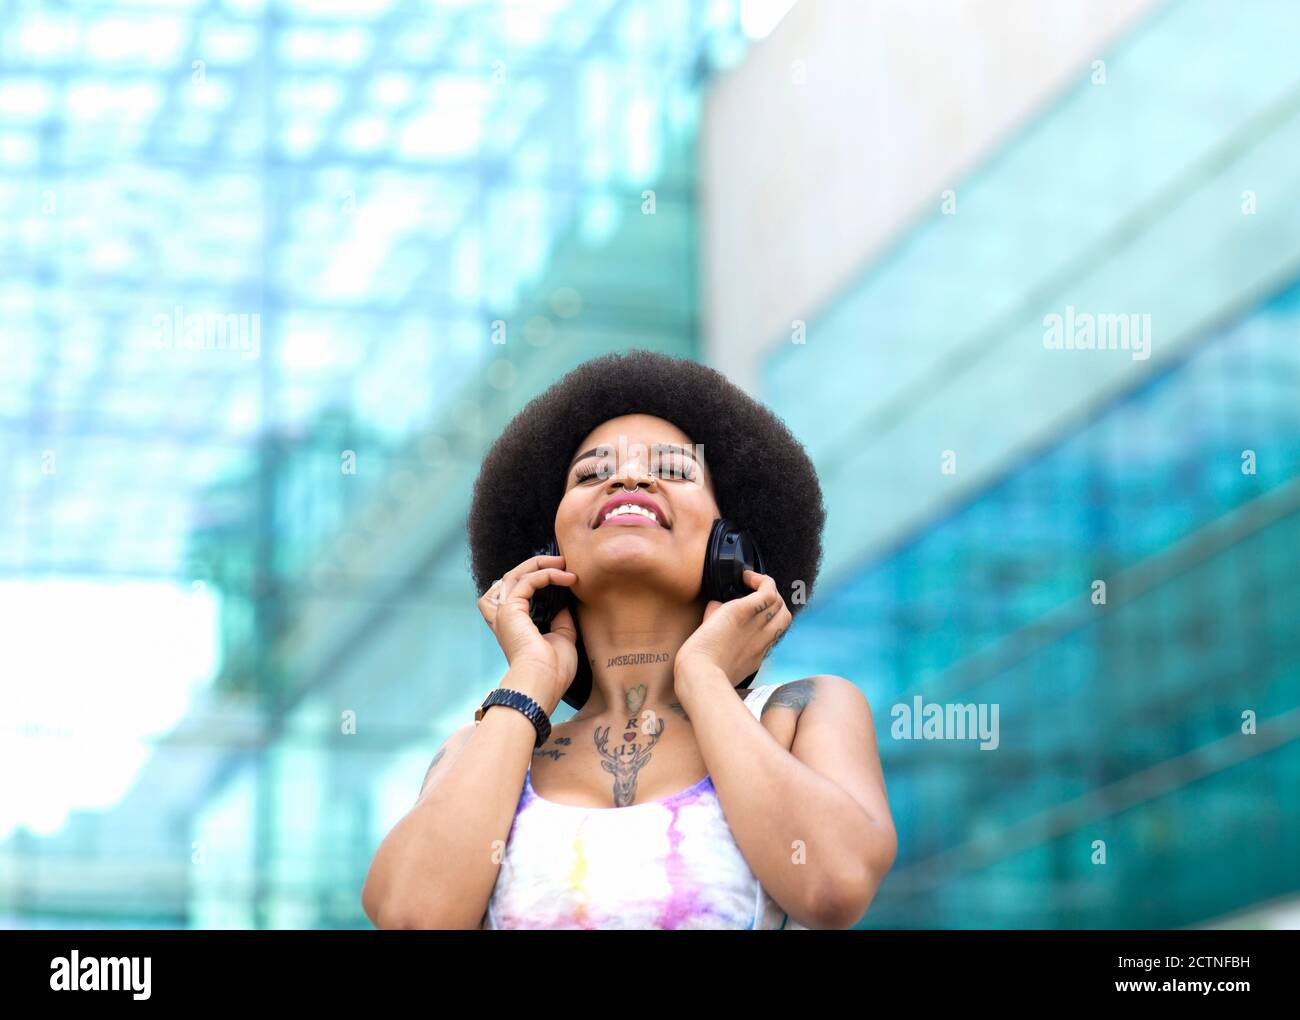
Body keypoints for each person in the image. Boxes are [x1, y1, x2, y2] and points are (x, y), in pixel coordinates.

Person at [362, 350, 896, 929]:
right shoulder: (485, 747)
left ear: (729, 544)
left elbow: (833, 884)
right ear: (550, 548)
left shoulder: (801, 713)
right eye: (591, 474)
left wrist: (704, 678)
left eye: (674, 469)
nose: (629, 478)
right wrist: (530, 679)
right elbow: (414, 916)